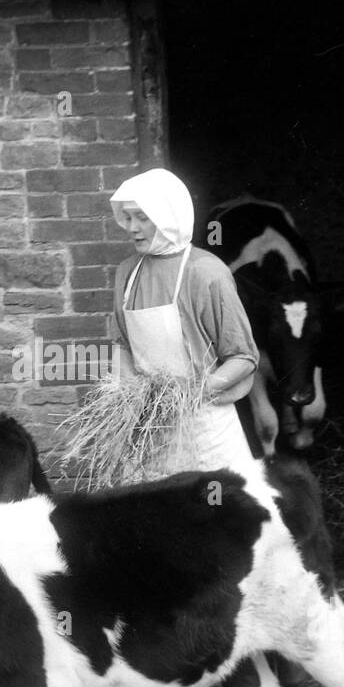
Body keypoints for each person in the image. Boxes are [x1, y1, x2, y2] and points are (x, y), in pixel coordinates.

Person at [108, 167, 260, 477]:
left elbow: (243, 358)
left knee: (216, 513)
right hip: (151, 428)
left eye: (142, 218)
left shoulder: (205, 273)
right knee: (157, 513)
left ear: (168, 218)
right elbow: (122, 344)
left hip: (205, 428)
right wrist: (131, 395)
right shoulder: (127, 273)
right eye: (128, 218)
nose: (132, 228)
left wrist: (191, 393)